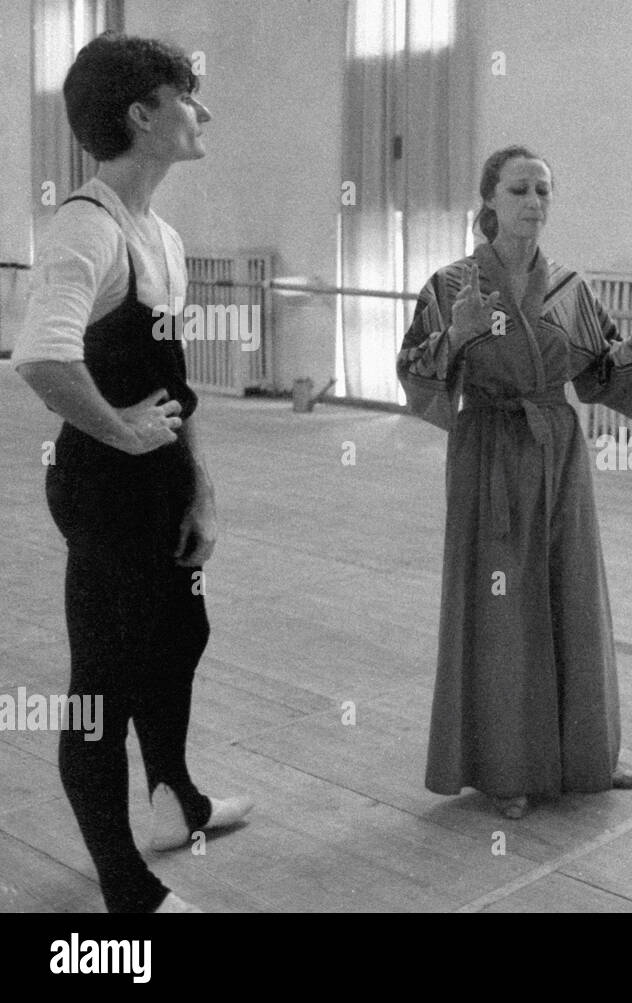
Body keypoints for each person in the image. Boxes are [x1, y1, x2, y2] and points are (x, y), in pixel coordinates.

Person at [14, 32, 252, 913]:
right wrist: (119, 431)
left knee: (179, 639)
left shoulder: (160, 234)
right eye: (185, 94)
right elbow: (41, 359)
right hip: (104, 489)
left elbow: (173, 384)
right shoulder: (85, 228)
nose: (202, 110)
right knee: (100, 690)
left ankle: (176, 802)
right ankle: (127, 889)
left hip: (156, 484)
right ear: (140, 115)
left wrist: (199, 483)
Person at [398, 145, 632, 819]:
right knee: (504, 605)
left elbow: (594, 375)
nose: (535, 202)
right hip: (491, 451)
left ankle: (588, 752)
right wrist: (457, 339)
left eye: (544, 191)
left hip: (557, 448)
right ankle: (508, 766)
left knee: (572, 590)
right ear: (489, 200)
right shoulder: (450, 286)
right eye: (520, 189)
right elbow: (416, 372)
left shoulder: (568, 287)